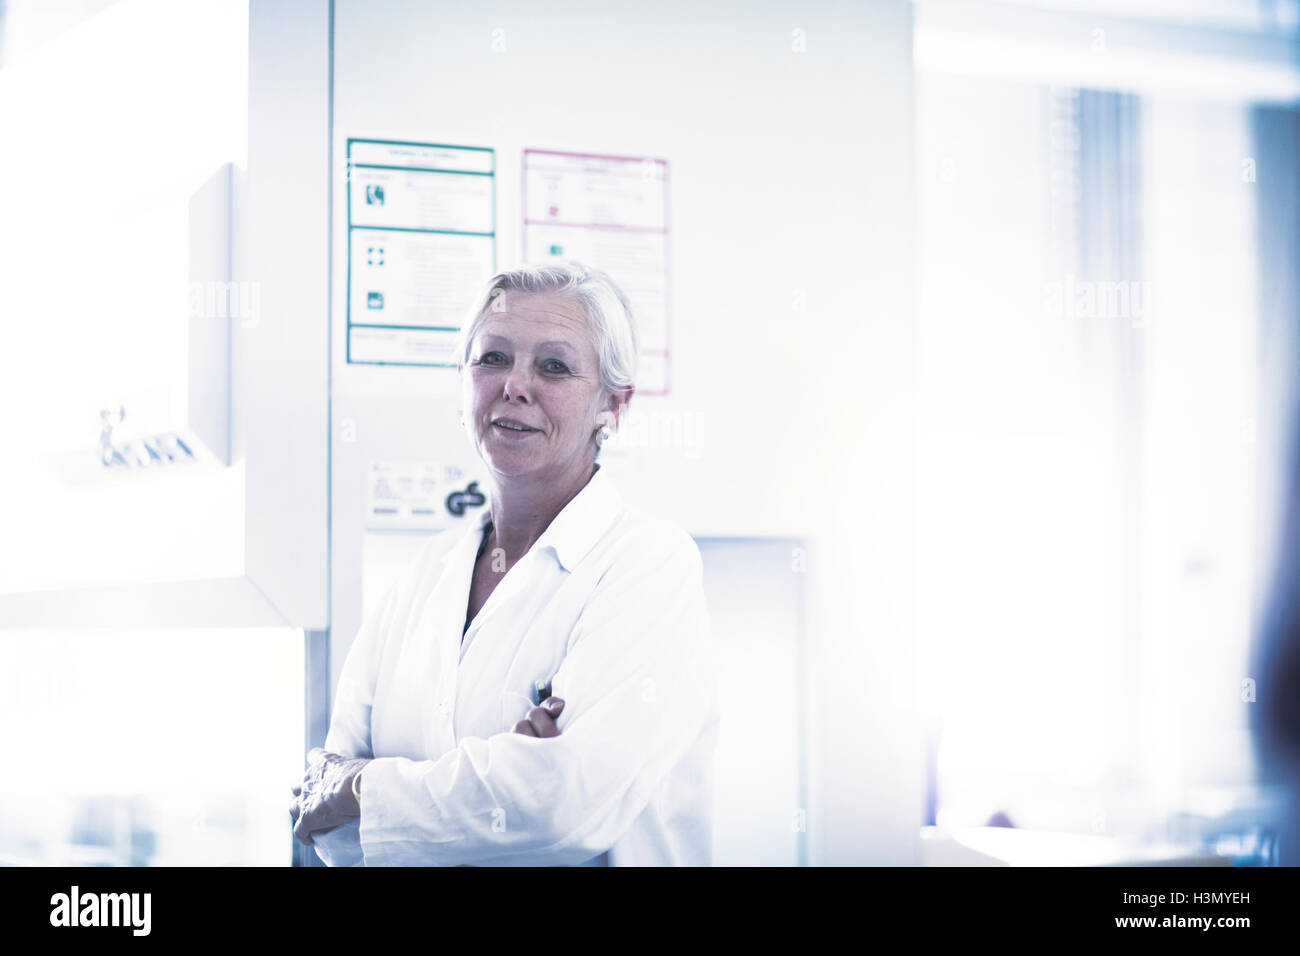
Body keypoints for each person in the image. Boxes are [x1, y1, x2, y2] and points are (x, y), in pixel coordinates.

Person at [289, 261, 720, 866]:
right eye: (492, 358)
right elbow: (330, 833)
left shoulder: (649, 566)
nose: (515, 385)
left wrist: (366, 787)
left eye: (554, 366)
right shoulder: (423, 575)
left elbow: (563, 804)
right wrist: (502, 781)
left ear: (613, 405)